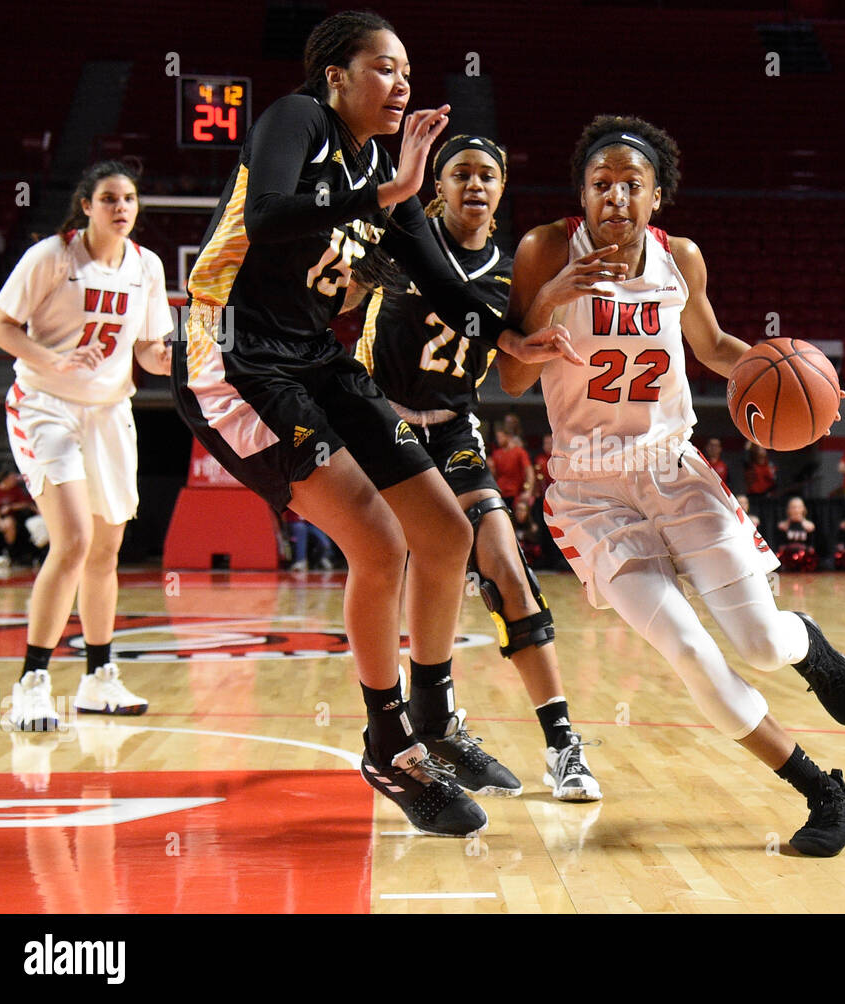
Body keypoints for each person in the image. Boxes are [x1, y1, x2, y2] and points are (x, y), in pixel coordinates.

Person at [168, 11, 579, 837]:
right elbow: (272, 216)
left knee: (443, 533)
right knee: (378, 542)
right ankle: (389, 743)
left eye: (406, 73)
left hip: (310, 354)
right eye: (384, 69)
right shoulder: (299, 121)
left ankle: (435, 719)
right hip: (233, 353)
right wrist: (384, 191)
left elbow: (438, 273)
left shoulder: (379, 169)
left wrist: (504, 334)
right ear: (335, 76)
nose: (401, 85)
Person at [498, 114, 845, 856]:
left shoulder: (680, 260)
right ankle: (819, 787)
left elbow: (715, 345)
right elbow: (511, 374)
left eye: (631, 185)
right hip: (590, 492)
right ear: (583, 195)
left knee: (760, 643)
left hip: (675, 472)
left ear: (656, 197)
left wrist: (808, 384)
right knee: (690, 652)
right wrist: (553, 293)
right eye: (600, 185)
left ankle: (807, 647)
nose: (614, 197)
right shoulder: (542, 250)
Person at [354, 133, 600, 801]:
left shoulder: (510, 270)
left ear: (499, 190)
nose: (474, 185)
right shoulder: (400, 238)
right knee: (392, 562)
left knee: (506, 569)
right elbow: (341, 303)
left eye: (487, 175)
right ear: (438, 185)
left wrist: (547, 313)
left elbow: (517, 378)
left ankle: (562, 745)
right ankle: (408, 722)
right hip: (383, 419)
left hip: (457, 426)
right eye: (460, 172)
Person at [0, 160, 174, 731]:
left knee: (105, 550)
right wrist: (54, 359)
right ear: (86, 206)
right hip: (45, 407)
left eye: (130, 199)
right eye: (110, 198)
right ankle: (32, 682)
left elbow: (145, 351)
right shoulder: (50, 257)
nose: (122, 207)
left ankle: (98, 677)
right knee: (72, 540)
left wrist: (172, 360)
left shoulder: (147, 266)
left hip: (109, 412)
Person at [489, 429, 535, 510]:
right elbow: (494, 475)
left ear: (508, 437)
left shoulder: (519, 452)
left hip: (516, 494)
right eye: (497, 437)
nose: (498, 440)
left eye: (500, 437)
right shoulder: (496, 453)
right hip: (500, 493)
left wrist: (529, 491)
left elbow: (529, 471)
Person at [775, 496, 818, 572]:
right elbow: (779, 546)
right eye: (793, 507)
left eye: (798, 507)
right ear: (788, 510)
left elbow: (812, 547)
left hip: (804, 561)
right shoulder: (782, 526)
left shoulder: (809, 526)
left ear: (803, 509)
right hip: (787, 560)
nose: (796, 510)